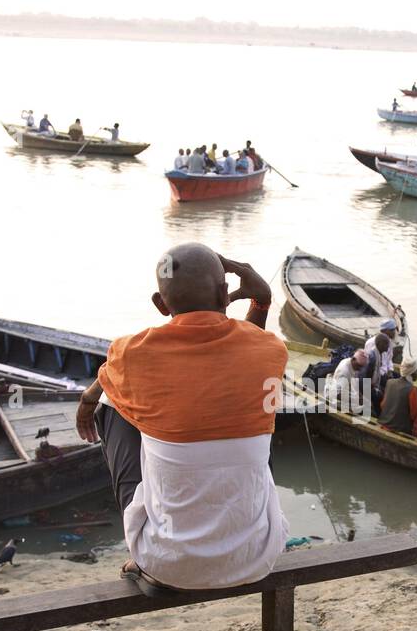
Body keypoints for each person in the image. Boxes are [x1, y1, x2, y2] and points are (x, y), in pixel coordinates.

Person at [73, 243, 288, 592]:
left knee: (112, 404)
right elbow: (244, 350)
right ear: (224, 294)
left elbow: (106, 383)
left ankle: (142, 550)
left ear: (160, 305)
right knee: (254, 400)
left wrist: (88, 398)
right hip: (257, 557)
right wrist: (261, 302)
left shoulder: (131, 354)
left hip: (164, 564)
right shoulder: (271, 349)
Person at [378, 357, 417, 433]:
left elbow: (382, 405)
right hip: (399, 429)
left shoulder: (389, 382)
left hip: (383, 422)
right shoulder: (412, 389)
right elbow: (414, 415)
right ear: (412, 372)